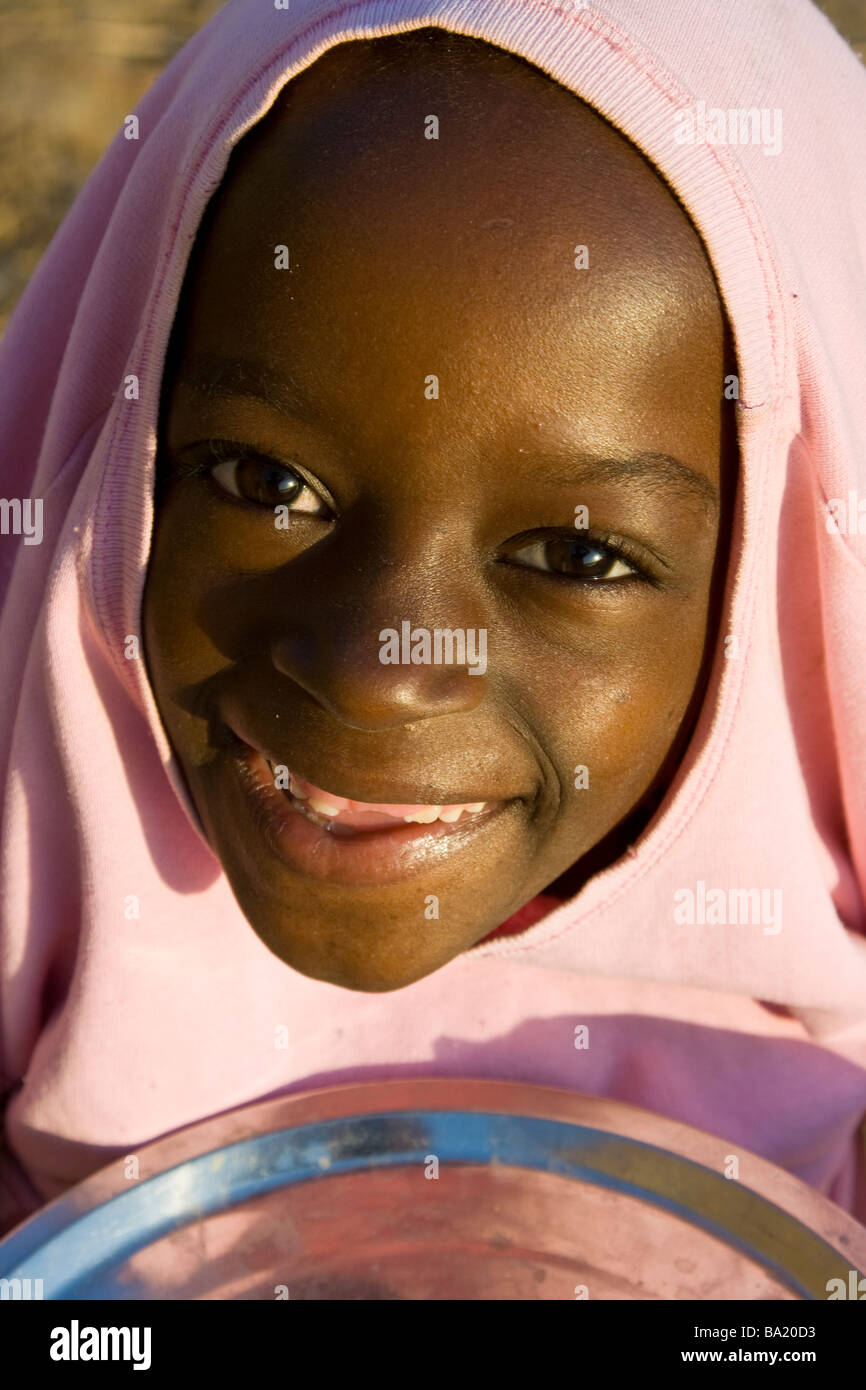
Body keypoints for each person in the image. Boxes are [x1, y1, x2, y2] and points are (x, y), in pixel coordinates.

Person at [1, 0, 865, 1247]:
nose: (377, 670)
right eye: (264, 484)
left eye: (573, 554)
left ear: (787, 585)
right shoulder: (41, 868)